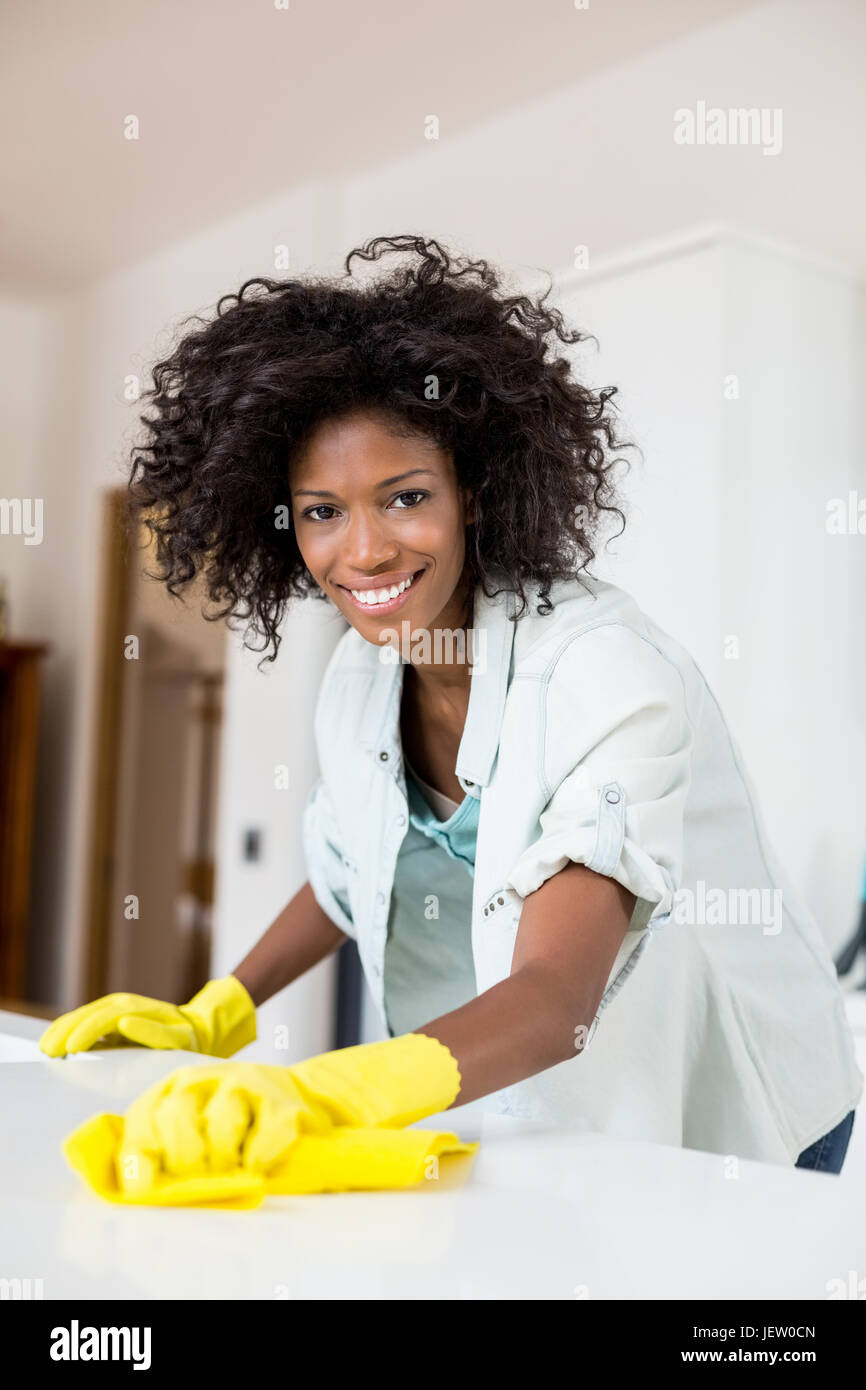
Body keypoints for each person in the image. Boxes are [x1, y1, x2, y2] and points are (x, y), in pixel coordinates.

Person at [42, 234, 861, 1174]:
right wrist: (216, 1011)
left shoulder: (602, 675)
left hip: (743, 1101)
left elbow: (558, 999)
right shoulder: (361, 676)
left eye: (404, 497)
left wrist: (324, 1091)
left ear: (473, 492)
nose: (364, 552)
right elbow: (349, 864)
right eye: (321, 510)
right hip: (514, 1092)